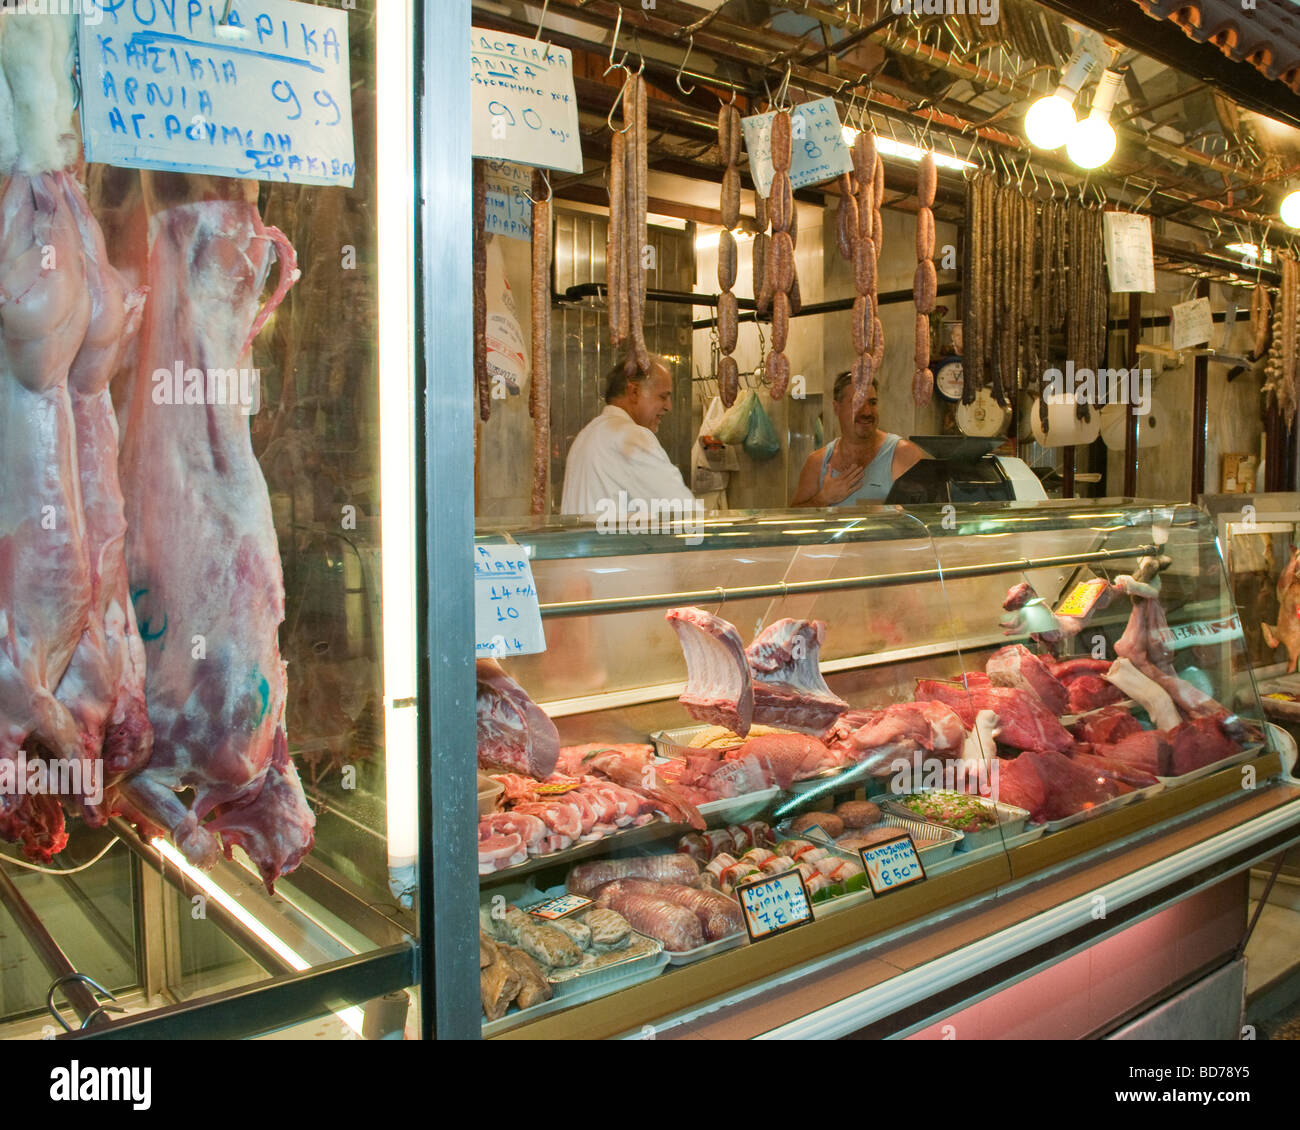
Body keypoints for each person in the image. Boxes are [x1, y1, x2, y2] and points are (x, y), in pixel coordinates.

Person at [560, 353, 696, 516]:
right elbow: (684, 512)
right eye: (663, 397)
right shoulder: (631, 436)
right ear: (634, 392)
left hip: (590, 540)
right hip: (610, 541)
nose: (669, 406)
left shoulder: (586, 435)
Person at [791, 371, 925, 507]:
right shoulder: (817, 462)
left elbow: (927, 515)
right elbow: (794, 520)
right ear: (837, 408)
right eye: (858, 402)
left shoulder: (904, 455)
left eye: (872, 403)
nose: (867, 412)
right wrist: (822, 499)